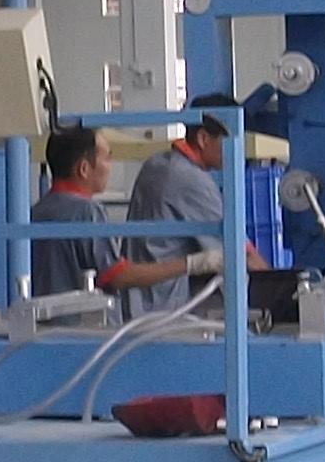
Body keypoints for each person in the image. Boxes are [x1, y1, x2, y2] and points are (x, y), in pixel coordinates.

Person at [113, 97, 265, 318]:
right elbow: (240, 252)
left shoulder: (157, 163)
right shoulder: (190, 180)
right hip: (164, 310)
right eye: (232, 139)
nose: (238, 149)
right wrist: (280, 293)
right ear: (203, 139)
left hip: (137, 303)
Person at [30, 127, 120, 299]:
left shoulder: (35, 213)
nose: (110, 166)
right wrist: (176, 266)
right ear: (84, 169)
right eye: (107, 158)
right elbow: (115, 275)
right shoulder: (88, 212)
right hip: (82, 315)